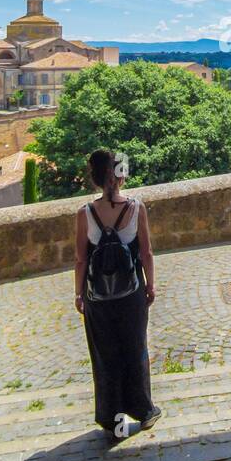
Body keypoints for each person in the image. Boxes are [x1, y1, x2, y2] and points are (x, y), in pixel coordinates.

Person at [74, 149, 162, 438]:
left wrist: (78, 295)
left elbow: (80, 259)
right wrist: (150, 284)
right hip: (131, 294)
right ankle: (144, 411)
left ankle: (113, 419)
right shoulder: (137, 208)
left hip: (97, 298)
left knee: (105, 355)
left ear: (97, 180)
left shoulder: (85, 214)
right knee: (135, 349)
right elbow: (146, 252)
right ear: (119, 177)